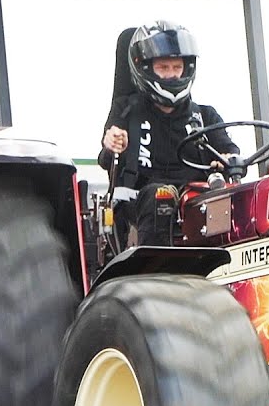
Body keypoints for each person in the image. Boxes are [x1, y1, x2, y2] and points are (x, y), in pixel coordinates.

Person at [98, 20, 240, 247]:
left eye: (176, 67)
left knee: (231, 198)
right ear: (145, 68)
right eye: (163, 68)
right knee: (161, 195)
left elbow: (231, 155)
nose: (172, 75)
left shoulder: (205, 116)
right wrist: (113, 144)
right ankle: (155, 264)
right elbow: (107, 159)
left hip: (196, 206)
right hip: (139, 204)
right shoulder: (126, 111)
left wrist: (226, 160)